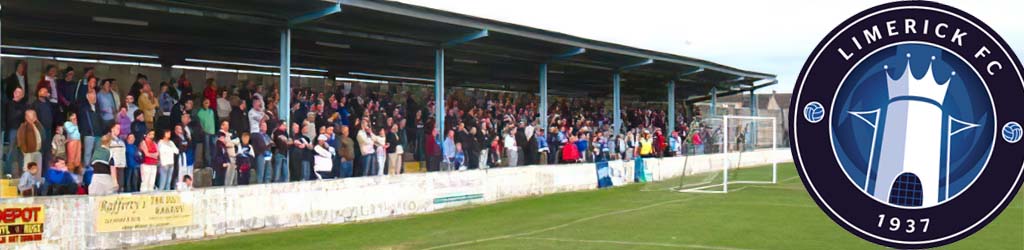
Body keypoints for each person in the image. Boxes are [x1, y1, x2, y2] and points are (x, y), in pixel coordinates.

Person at [4, 87, 28, 175]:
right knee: (11, 149)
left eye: (19, 92)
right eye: (16, 91)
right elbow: (12, 117)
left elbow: (24, 116)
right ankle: (7, 171)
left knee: (22, 151)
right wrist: (21, 113)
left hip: (22, 129)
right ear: (13, 93)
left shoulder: (24, 105)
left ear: (22, 95)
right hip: (13, 129)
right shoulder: (9, 104)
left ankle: (22, 171)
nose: (17, 93)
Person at [89, 130, 120, 195]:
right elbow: (112, 169)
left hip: (95, 179)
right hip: (106, 179)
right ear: (110, 142)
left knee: (94, 199)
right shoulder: (110, 152)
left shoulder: (95, 152)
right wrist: (115, 182)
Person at [16, 109, 45, 179]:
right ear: (26, 117)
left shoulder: (38, 125)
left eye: (33, 116)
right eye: (30, 116)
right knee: (27, 170)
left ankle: (37, 187)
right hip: (28, 152)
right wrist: (25, 151)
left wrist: (37, 122)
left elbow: (43, 134)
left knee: (37, 172)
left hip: (37, 151)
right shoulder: (24, 126)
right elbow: (21, 139)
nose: (32, 118)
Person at [197, 99, 216, 165]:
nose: (206, 104)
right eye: (205, 103)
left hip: (213, 132)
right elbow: (200, 123)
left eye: (208, 103)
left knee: (213, 148)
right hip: (206, 132)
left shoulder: (211, 111)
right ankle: (208, 163)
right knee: (207, 149)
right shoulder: (200, 112)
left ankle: (213, 162)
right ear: (202, 103)